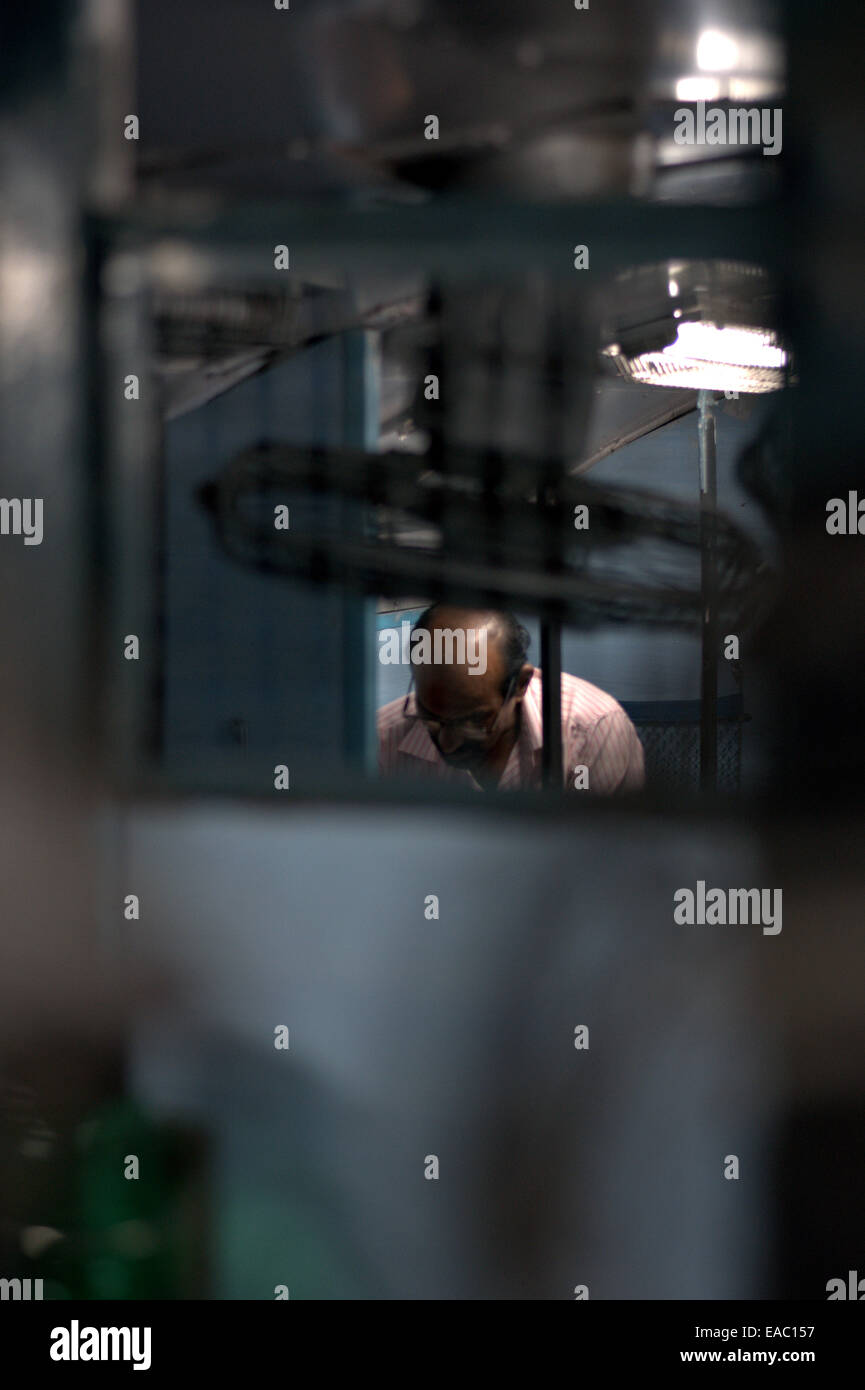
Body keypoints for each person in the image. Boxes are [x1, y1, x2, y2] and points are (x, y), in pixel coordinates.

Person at [377, 603, 644, 793]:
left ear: (520, 685)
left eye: (473, 720)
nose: (448, 743)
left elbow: (607, 860)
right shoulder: (382, 738)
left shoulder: (595, 732)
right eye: (430, 716)